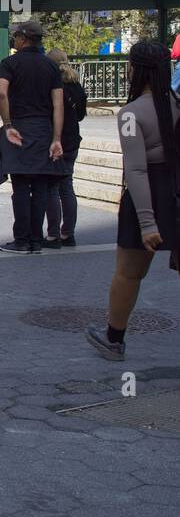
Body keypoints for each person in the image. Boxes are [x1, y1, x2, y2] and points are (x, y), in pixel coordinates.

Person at [88, 41, 179, 361]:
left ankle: (114, 340)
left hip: (147, 197)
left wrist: (147, 222)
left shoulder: (131, 113)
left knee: (128, 273)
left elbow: (137, 171)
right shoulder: (177, 103)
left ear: (135, 69)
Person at [0, 19, 64, 254]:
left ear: (23, 38)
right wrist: (57, 138)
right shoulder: (51, 66)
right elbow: (58, 105)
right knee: (41, 188)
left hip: (19, 128)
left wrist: (7, 124)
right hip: (44, 130)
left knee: (21, 187)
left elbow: (2, 95)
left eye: (15, 36)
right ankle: (36, 239)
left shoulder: (9, 64)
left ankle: (22, 239)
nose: (13, 40)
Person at [44, 49, 87, 248]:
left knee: (52, 187)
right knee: (67, 186)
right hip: (73, 140)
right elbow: (80, 115)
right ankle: (68, 233)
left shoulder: (52, 84)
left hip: (55, 139)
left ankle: (52, 235)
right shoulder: (77, 85)